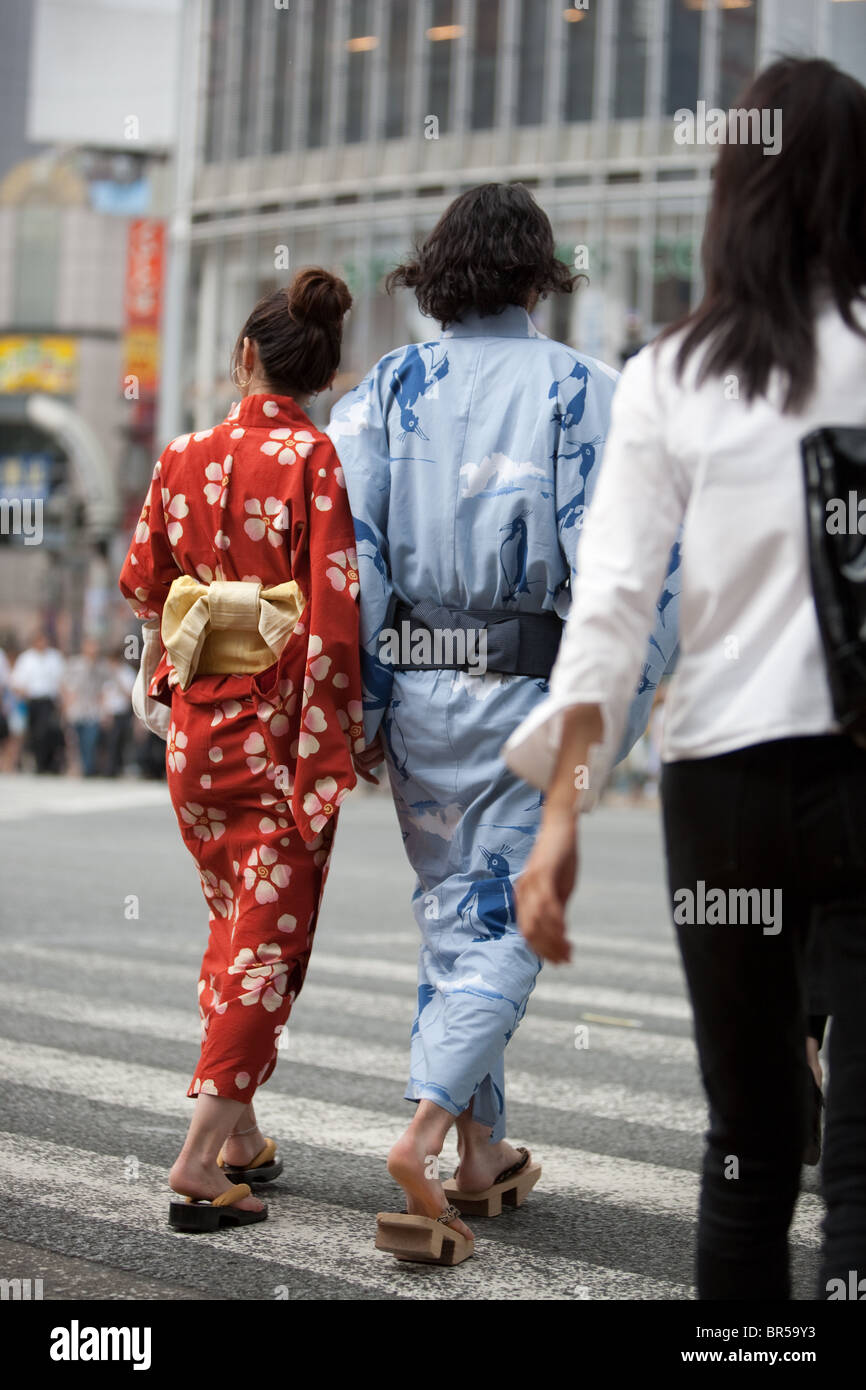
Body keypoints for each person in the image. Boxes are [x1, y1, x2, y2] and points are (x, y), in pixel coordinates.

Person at [505, 59, 866, 1300]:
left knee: (749, 1144)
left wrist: (558, 818)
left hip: (720, 790)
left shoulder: (671, 374)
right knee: (862, 1167)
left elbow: (608, 604)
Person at [328, 182, 679, 1264]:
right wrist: (603, 712)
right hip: (529, 690)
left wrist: (372, 704)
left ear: (436, 274)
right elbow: (632, 572)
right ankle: (424, 1131)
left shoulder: (386, 388)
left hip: (421, 691)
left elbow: (357, 556)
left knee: (456, 915)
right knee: (512, 919)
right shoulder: (586, 391)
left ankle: (482, 1160)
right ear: (540, 275)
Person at [119, 268, 364, 1232]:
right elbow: (333, 617)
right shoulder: (314, 459)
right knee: (268, 948)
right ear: (320, 375)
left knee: (232, 923)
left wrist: (168, 681)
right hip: (272, 735)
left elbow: (149, 583)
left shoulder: (181, 453)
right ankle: (193, 1162)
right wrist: (335, 738)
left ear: (244, 357)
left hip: (198, 737)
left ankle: (241, 1139)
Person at [10, 628, 66, 773]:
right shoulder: (26, 658)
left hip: (48, 701)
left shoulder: (55, 657)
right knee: (35, 733)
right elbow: (16, 682)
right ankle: (37, 761)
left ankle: (46, 762)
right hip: (32, 701)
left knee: (47, 731)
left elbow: (61, 681)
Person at [62, 636, 112, 776]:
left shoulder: (102, 666)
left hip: (93, 710)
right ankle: (77, 768)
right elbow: (66, 686)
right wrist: (66, 706)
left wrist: (105, 710)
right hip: (76, 709)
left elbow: (105, 690)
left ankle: (87, 769)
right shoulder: (74, 664)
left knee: (90, 741)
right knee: (75, 743)